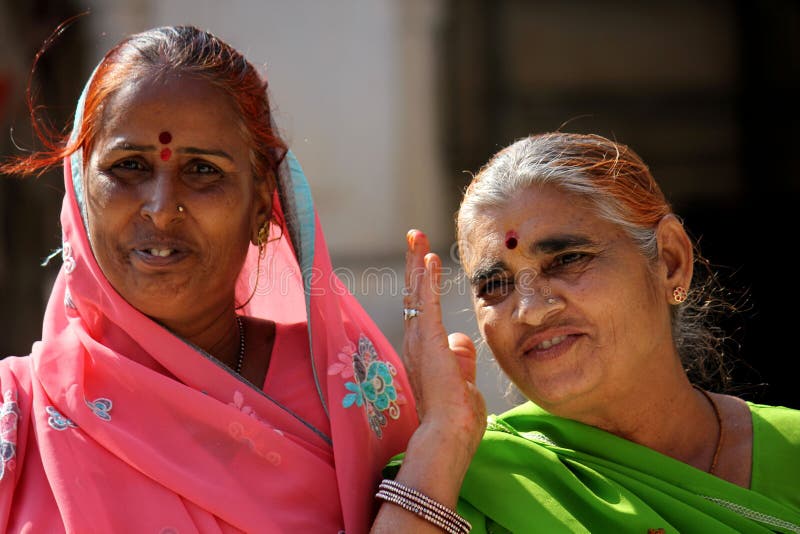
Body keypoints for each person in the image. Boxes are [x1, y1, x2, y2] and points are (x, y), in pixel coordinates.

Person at [0, 25, 417, 532]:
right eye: (128, 166)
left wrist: (440, 448)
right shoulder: (16, 417)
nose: (160, 209)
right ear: (82, 192)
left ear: (262, 202)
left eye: (202, 171)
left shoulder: (353, 399)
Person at [371, 133, 800, 533]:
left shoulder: (791, 453)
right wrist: (442, 438)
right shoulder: (465, 481)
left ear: (670, 261)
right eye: (495, 286)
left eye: (567, 260)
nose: (532, 311)